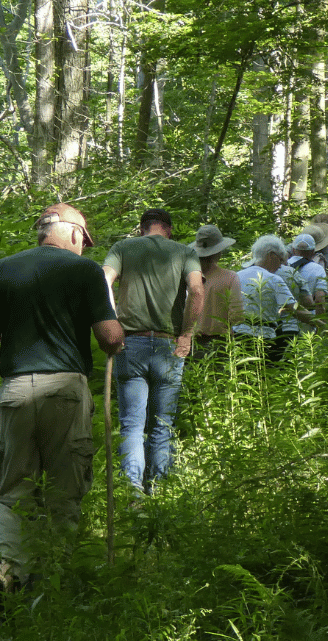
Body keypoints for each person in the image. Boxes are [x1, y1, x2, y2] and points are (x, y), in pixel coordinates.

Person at [0, 202, 124, 591]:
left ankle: (5, 570)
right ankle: (53, 575)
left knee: (11, 490)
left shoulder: (3, 269)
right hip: (66, 393)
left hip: (15, 391)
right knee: (65, 487)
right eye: (85, 240)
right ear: (74, 233)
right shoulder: (86, 271)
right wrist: (118, 335)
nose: (85, 247)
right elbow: (109, 337)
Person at [103, 207, 204, 494]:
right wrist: (186, 334)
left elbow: (103, 279)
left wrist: (112, 322)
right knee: (163, 423)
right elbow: (196, 291)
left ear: (141, 228)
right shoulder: (185, 252)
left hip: (129, 343)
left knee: (132, 425)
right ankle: (159, 489)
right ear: (168, 229)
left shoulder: (123, 248)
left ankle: (133, 493)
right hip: (168, 345)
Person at [234, 235, 321, 362]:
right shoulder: (273, 279)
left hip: (237, 336)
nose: (281, 267)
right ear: (271, 255)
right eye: (280, 261)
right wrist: (321, 324)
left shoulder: (237, 276)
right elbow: (295, 310)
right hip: (263, 340)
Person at [192, 224, 243, 349]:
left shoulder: (187, 277)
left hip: (192, 344)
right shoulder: (230, 277)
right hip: (221, 344)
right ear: (218, 252)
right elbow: (237, 316)